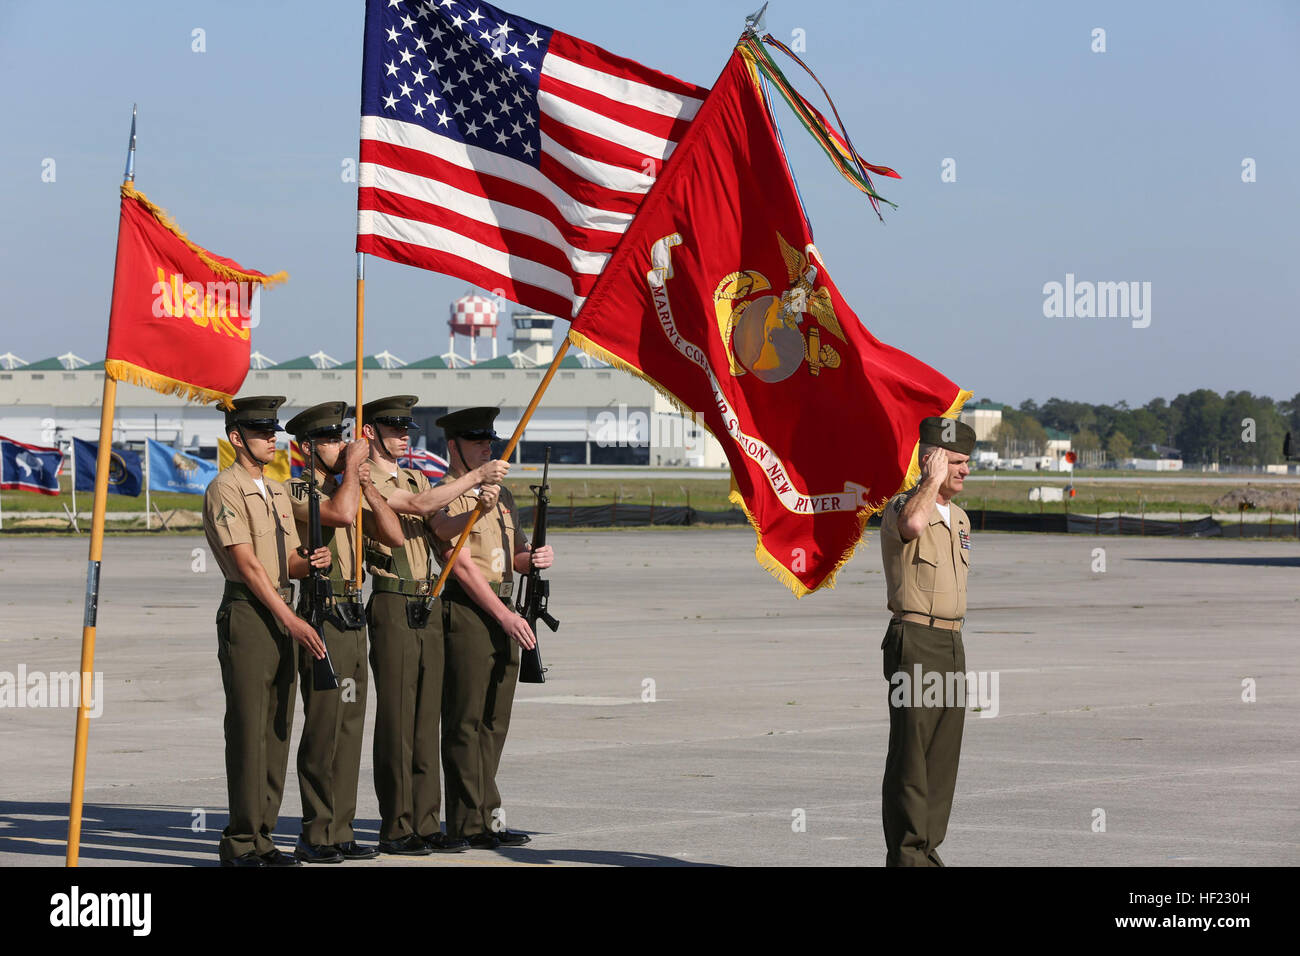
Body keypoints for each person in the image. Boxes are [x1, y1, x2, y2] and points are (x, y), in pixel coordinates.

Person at [358, 395, 511, 855]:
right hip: (393, 598)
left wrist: (477, 510)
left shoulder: (412, 474)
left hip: (426, 600)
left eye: (406, 427)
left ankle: (426, 823)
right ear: (370, 433)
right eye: (391, 427)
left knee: (426, 722)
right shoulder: (369, 479)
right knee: (399, 722)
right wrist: (475, 477)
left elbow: (441, 527)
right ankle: (398, 825)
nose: (403, 434)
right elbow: (422, 506)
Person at [202, 395, 331, 867]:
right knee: (248, 729)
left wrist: (313, 561)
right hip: (251, 615)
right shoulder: (225, 488)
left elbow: (287, 563)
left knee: (277, 729)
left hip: (282, 610)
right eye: (261, 431)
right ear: (237, 438)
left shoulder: (278, 491)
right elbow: (248, 566)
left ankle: (264, 837)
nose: (272, 438)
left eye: (273, 430)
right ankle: (239, 841)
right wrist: (290, 619)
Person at [284, 402, 404, 863]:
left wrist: (371, 490)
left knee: (351, 728)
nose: (341, 447)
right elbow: (336, 514)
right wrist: (354, 472)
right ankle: (316, 831)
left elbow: (392, 537)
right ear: (308, 448)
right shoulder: (296, 488)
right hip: (321, 613)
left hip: (353, 615)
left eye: (342, 438)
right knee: (323, 728)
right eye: (332, 440)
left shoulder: (351, 487)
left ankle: (342, 828)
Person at [430, 407, 550, 849]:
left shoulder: (502, 496)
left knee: (494, 721)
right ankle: (466, 822)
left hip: (505, 607)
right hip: (469, 611)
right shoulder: (447, 494)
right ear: (454, 447)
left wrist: (535, 557)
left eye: (489, 442)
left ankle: (488, 816)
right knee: (465, 720)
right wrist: (501, 615)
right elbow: (456, 562)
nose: (488, 449)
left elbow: (514, 553)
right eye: (479, 442)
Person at [878, 415, 976, 867]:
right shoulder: (903, 507)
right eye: (955, 461)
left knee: (942, 760)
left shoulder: (959, 519)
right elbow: (913, 527)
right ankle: (906, 858)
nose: (965, 470)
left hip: (952, 644)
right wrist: (930, 480)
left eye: (967, 462)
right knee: (911, 760)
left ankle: (927, 852)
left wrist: (941, 480)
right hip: (914, 640)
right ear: (931, 459)